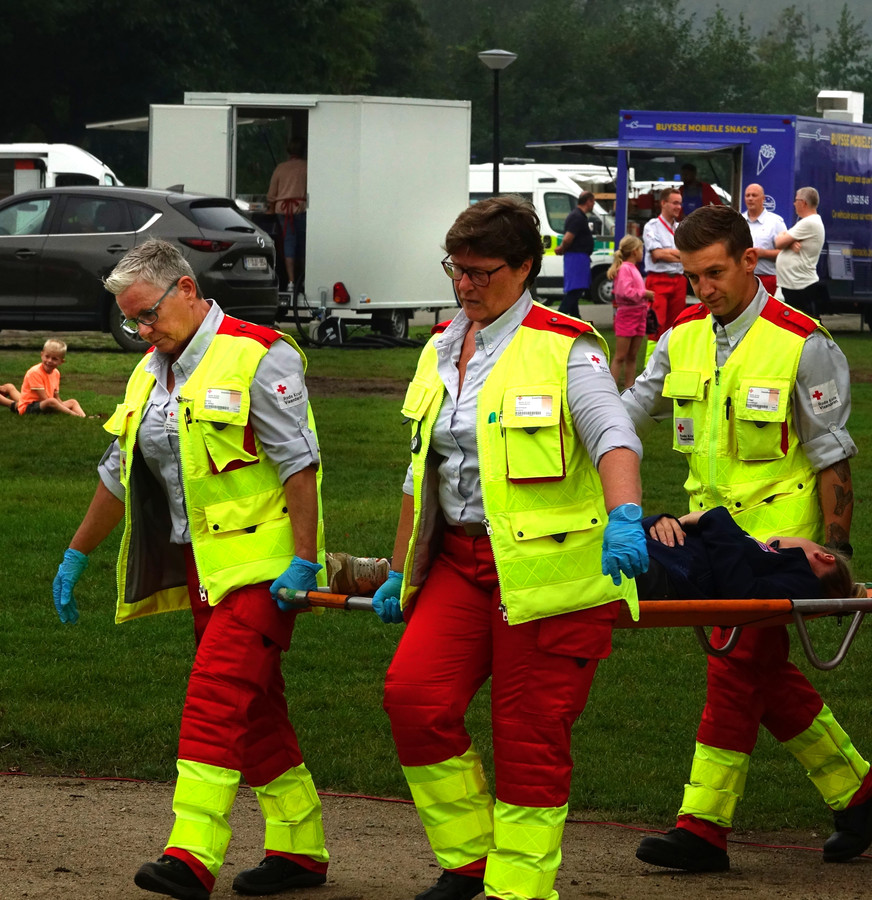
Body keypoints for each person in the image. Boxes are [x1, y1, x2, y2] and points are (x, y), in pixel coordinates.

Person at [371, 196, 648, 900]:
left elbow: (614, 436)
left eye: (479, 272)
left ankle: (519, 889)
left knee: (528, 735)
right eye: (454, 270)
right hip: (459, 564)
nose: (463, 285)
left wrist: (625, 517)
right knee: (414, 698)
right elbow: (419, 468)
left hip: (550, 573)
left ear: (525, 268)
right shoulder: (439, 346)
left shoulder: (566, 346)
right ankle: (469, 862)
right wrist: (400, 567)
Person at [50, 238, 331, 900]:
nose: (142, 330)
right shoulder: (150, 370)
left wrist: (303, 559)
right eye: (131, 320)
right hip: (206, 572)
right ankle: (301, 848)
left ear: (184, 289)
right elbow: (118, 473)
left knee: (214, 699)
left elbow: (300, 464)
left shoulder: (260, 353)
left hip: (264, 570)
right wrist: (76, 552)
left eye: (147, 314)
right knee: (256, 710)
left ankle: (192, 855)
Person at [622, 204, 872, 874]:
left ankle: (702, 827)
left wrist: (836, 554)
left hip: (777, 542)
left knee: (735, 672)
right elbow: (628, 412)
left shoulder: (803, 341)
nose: (702, 288)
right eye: (690, 276)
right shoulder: (679, 334)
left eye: (713, 273)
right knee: (760, 673)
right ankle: (856, 790)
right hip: (703, 541)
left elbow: (832, 457)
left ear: (750, 260)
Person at [638, 506, 854, 603]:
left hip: (661, 570)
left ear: (824, 557)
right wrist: (659, 521)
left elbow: (742, 593)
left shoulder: (801, 580)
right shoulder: (767, 561)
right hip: (651, 552)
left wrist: (714, 517)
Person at [641, 187, 688, 353]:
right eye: (674, 203)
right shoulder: (652, 227)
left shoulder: (682, 227)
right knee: (656, 325)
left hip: (679, 280)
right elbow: (657, 253)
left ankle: (668, 364)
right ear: (663, 203)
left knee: (675, 325)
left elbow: (687, 253)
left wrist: (669, 253)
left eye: (680, 204)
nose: (678, 207)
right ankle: (650, 367)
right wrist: (681, 255)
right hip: (658, 280)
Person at [608, 235, 653, 390]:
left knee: (632, 356)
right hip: (627, 315)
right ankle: (611, 388)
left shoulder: (633, 268)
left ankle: (630, 387)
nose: (643, 252)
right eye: (641, 249)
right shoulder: (625, 268)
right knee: (621, 356)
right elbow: (624, 292)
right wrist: (644, 293)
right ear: (635, 251)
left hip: (639, 314)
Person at [775, 186, 829, 317]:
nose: (794, 203)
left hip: (800, 284)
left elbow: (779, 242)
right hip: (795, 282)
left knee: (805, 323)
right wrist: (790, 242)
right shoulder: (807, 222)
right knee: (798, 323)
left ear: (803, 202)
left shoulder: (809, 222)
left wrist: (786, 240)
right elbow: (781, 239)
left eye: (796, 200)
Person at [267, 139, 308, 291]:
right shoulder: (307, 167)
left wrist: (271, 207)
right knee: (304, 245)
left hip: (282, 210)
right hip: (301, 207)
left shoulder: (280, 168)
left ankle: (290, 281)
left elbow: (272, 194)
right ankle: (303, 280)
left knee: (288, 244)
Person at [11, 338, 86, 416]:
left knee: (73, 402)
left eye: (54, 359)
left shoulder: (56, 373)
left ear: (61, 362)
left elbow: (56, 397)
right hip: (29, 407)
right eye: (47, 357)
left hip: (47, 403)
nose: (49, 360)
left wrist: (60, 405)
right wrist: (60, 407)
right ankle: (75, 416)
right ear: (42, 355)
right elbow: (44, 399)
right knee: (51, 401)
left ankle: (84, 417)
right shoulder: (35, 372)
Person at [553, 190, 596, 318]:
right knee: (576, 290)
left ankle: (576, 319)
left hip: (577, 257)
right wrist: (562, 248)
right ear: (588, 201)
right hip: (577, 257)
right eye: (593, 201)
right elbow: (567, 238)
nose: (593, 204)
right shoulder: (577, 217)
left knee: (575, 290)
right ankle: (559, 317)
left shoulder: (578, 216)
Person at [742, 183, 787, 296]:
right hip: (742, 277)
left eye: (754, 195)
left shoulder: (775, 222)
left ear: (763, 199)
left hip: (766, 278)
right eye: (747, 195)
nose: (750, 199)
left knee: (762, 313)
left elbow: (786, 253)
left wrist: (763, 253)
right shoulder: (739, 220)